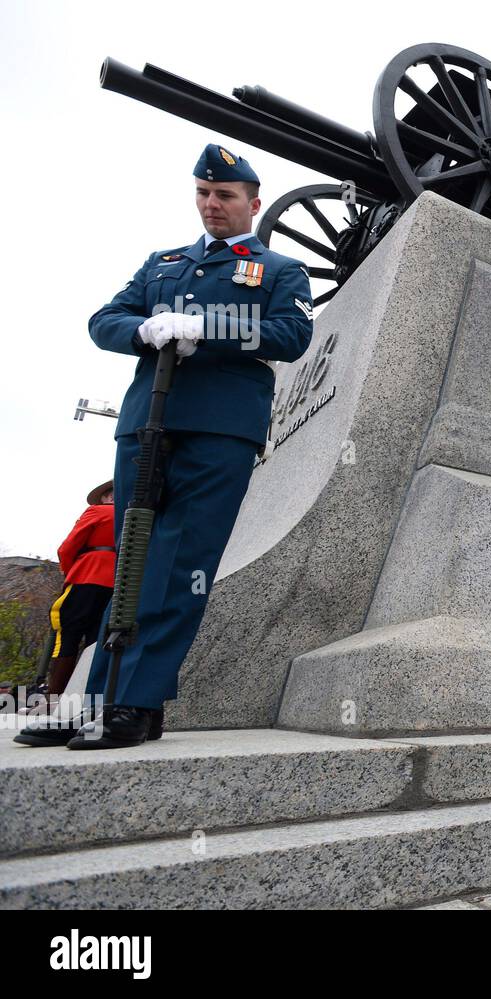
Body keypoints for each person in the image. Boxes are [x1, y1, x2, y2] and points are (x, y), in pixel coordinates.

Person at [15, 144, 314, 750]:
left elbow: (292, 334)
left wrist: (212, 329)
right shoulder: (163, 263)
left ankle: (136, 703)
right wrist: (142, 329)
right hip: (145, 424)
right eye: (204, 194)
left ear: (253, 204)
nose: (212, 205)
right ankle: (97, 702)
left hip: (219, 430)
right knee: (132, 562)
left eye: (225, 196)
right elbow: (105, 319)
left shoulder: (279, 271)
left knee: (180, 568)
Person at [38, 480, 118, 706]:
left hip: (87, 576)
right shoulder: (136, 517)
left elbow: (68, 547)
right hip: (118, 582)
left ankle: (53, 699)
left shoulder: (97, 511)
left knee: (67, 635)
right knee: (98, 639)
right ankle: (90, 699)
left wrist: (71, 571)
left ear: (106, 498)